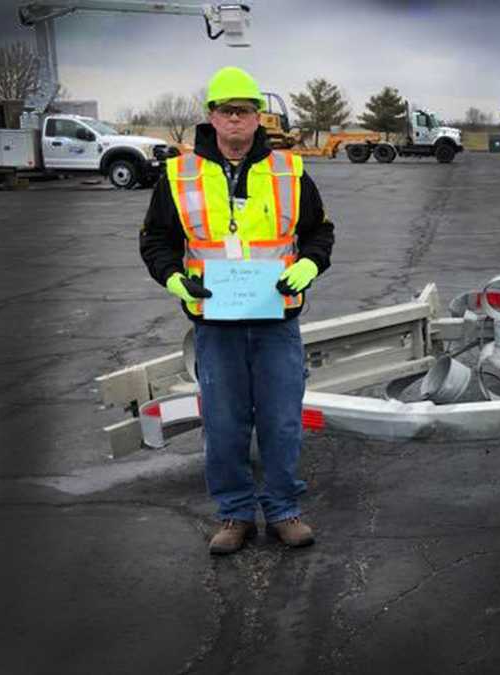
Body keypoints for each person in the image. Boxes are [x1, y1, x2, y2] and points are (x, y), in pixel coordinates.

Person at [139, 66, 335, 554]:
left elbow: (318, 232)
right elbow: (157, 240)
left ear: (256, 118)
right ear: (211, 115)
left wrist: (310, 266)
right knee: (224, 423)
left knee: (282, 420)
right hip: (216, 325)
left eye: (244, 111)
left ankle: (284, 510)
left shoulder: (288, 171)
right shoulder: (179, 173)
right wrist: (173, 279)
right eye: (226, 111)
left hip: (276, 323)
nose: (235, 121)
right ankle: (234, 514)